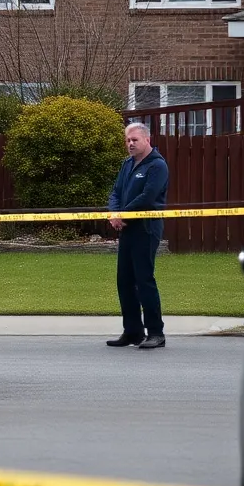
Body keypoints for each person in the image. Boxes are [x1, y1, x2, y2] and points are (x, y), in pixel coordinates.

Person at [106, 121, 169, 350]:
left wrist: (123, 214)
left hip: (146, 228)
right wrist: (114, 213)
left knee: (144, 280)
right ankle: (132, 331)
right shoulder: (127, 164)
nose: (130, 144)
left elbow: (148, 197)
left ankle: (156, 333)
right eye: (128, 140)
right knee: (124, 281)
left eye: (134, 140)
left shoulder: (157, 166)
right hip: (126, 229)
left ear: (146, 140)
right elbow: (115, 192)